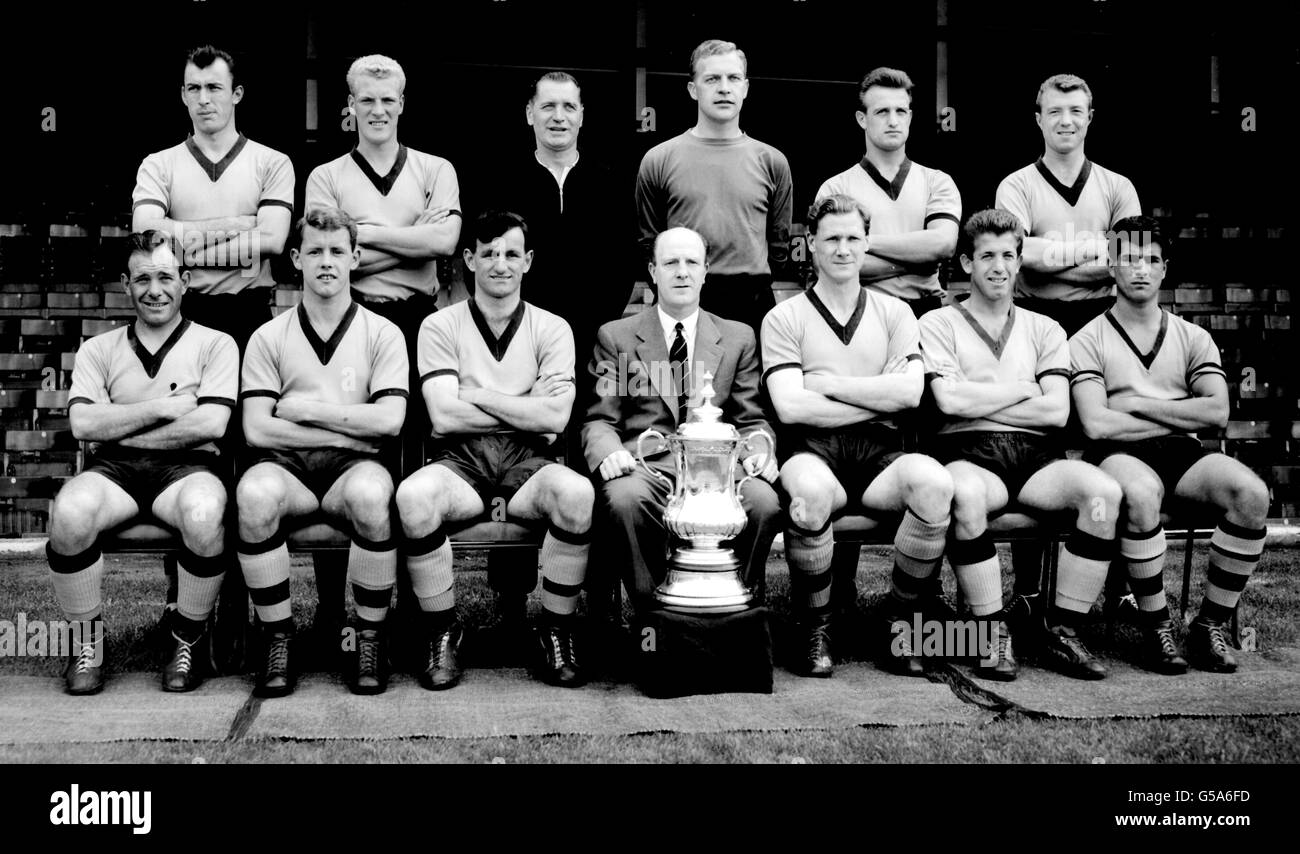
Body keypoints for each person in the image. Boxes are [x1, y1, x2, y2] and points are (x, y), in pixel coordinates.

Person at [395, 211, 594, 690]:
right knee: (413, 498)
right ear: (469, 259)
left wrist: (477, 393)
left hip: (528, 462)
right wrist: (524, 403)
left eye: (510, 254)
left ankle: (555, 629)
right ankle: (442, 630)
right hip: (461, 461)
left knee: (577, 494)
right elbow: (443, 416)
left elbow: (554, 419)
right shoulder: (439, 325)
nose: (499, 264)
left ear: (527, 261)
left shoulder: (552, 328)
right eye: (488, 254)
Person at [921, 209, 1123, 681]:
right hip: (968, 452)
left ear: (1019, 262)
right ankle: (989, 633)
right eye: (987, 255)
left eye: (1009, 255)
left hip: (1036, 457)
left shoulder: (1045, 328)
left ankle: (1064, 630)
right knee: (965, 496)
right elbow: (948, 402)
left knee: (1102, 497)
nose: (999, 266)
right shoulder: (938, 323)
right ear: (966, 263)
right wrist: (1021, 388)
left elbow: (1055, 411)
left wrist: (980, 399)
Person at [762, 195, 953, 678]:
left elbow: (909, 395)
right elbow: (790, 406)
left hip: (881, 453)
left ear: (867, 242)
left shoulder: (896, 313)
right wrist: (875, 392)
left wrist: (825, 383)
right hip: (813, 449)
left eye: (852, 238)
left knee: (934, 485)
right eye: (831, 239)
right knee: (806, 496)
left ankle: (899, 619)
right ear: (811, 245)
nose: (843, 249)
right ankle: (816, 624)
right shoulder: (783, 317)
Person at [1071, 215, 1269, 673]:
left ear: (1165, 270)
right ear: (1111, 266)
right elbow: (1097, 426)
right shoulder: (1087, 339)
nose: (1141, 269)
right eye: (1131, 259)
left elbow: (1217, 414)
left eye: (1152, 260)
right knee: (1140, 494)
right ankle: (1155, 627)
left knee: (1252, 495)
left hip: (1182, 453)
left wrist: (1135, 402)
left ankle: (1208, 627)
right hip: (1118, 455)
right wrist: (1178, 411)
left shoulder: (1192, 336)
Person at [50, 230, 238, 694]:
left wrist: (121, 423)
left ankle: (185, 638)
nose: (154, 290)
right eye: (142, 279)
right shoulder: (99, 349)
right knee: (69, 514)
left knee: (204, 513)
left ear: (185, 281)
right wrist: (161, 409)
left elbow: (210, 425)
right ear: (125, 283)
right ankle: (87, 642)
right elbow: (82, 425)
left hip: (188, 469)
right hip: (114, 473)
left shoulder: (217, 344)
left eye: (165, 277)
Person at [235, 208, 408, 697]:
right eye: (315, 251)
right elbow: (256, 430)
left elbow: (389, 422)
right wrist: (349, 430)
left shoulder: (383, 333)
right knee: (253, 496)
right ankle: (278, 638)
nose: (326, 262)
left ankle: (369, 636)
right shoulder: (269, 335)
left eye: (336, 251)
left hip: (352, 471)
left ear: (355, 257)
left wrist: (306, 411)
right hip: (288, 469)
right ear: (296, 259)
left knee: (375, 496)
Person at [584, 227, 780, 613]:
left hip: (718, 470)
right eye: (671, 262)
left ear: (706, 271)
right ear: (653, 271)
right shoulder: (616, 337)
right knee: (624, 499)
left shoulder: (737, 337)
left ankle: (734, 609)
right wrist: (608, 452)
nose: (682, 272)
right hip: (647, 466)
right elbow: (599, 420)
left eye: (692, 262)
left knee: (763, 501)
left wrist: (759, 452)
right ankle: (654, 612)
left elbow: (751, 418)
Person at [132, 44, 293, 349]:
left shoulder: (273, 162)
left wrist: (182, 253)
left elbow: (272, 240)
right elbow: (145, 232)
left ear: (237, 94)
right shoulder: (158, 164)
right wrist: (238, 225)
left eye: (214, 87)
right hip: (182, 311)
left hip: (249, 312)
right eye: (194, 88)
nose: (203, 99)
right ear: (183, 95)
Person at [635, 38, 793, 339]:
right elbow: (649, 242)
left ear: (745, 88)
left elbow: (779, 246)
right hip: (683, 296)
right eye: (712, 79)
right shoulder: (659, 160)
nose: (724, 87)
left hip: (752, 301)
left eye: (733, 78)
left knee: (750, 387)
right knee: (678, 385)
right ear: (694, 89)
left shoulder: (772, 162)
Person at [995, 73, 1140, 337]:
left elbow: (1128, 261)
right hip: (1032, 318)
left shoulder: (1120, 187)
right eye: (1054, 112)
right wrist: (1096, 248)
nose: (1065, 121)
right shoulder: (1015, 185)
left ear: (1090, 117)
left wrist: (1044, 263)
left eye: (1075, 110)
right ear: (1039, 119)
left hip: (1103, 318)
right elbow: (1018, 254)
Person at [815, 67, 960, 319]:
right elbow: (825, 264)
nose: (893, 121)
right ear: (862, 119)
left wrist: (864, 243)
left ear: (910, 116)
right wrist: (919, 260)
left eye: (900, 111)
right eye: (882, 111)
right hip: (860, 314)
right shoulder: (836, 188)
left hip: (925, 313)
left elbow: (943, 244)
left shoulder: (937, 181)